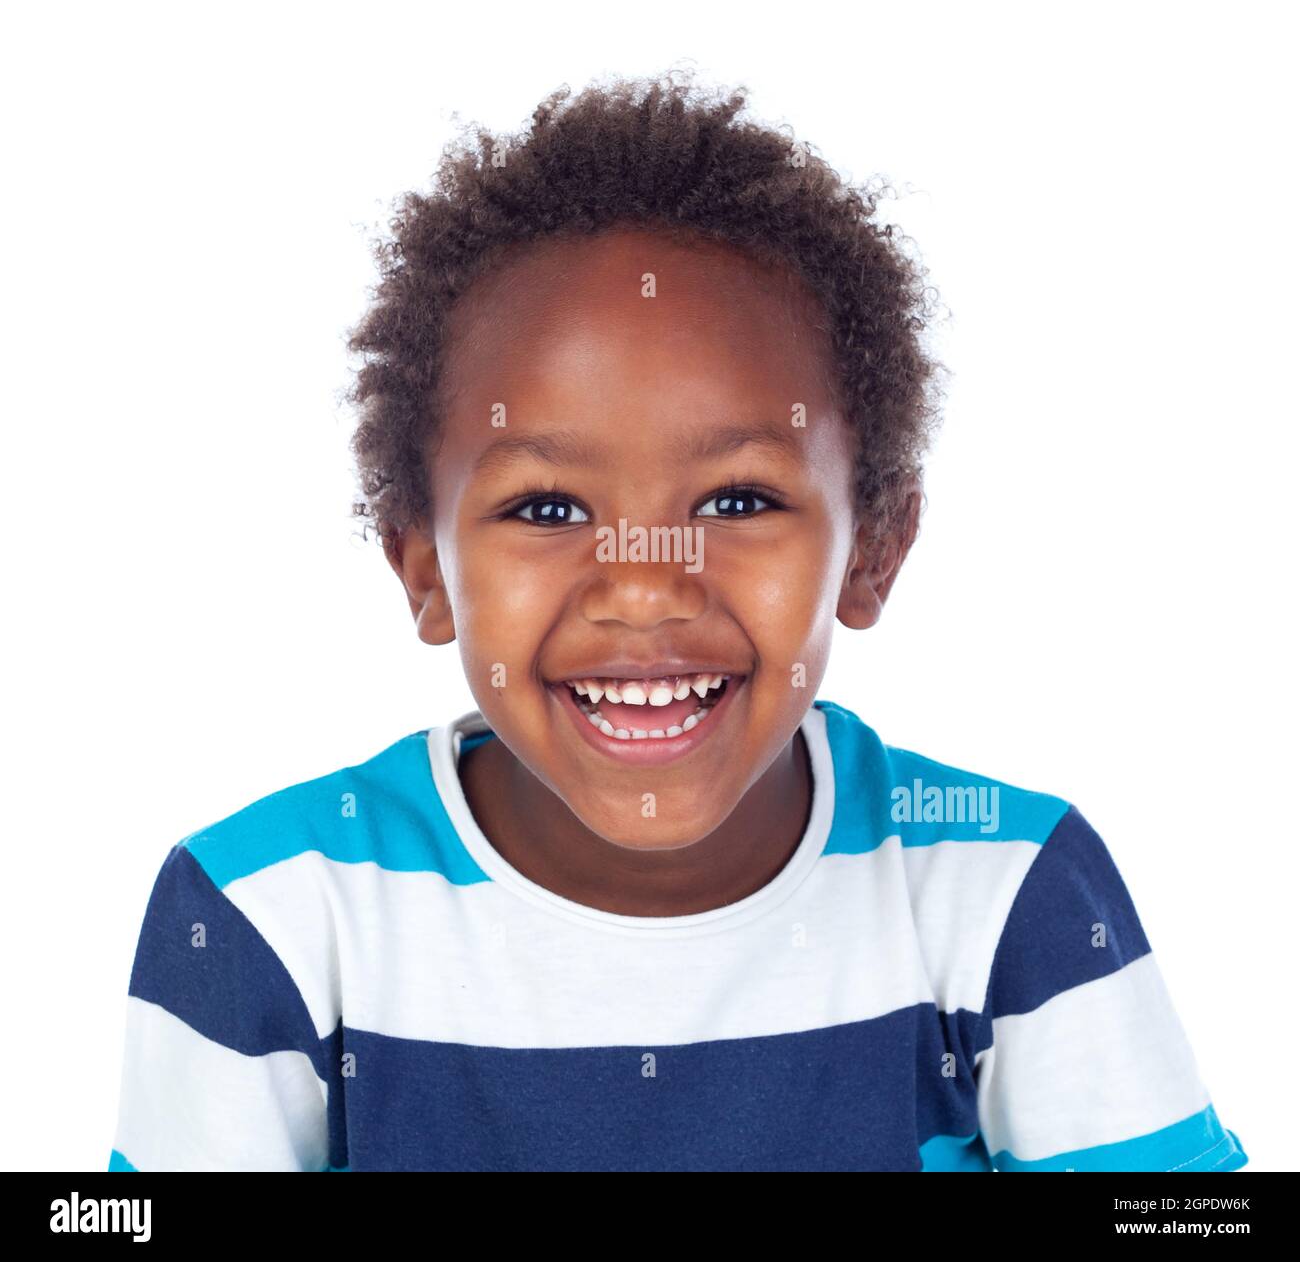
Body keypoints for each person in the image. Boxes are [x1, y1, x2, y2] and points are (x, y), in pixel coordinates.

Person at [107, 72, 1247, 1172]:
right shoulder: (269, 915)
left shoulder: (1002, 893)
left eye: (740, 501)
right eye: (546, 508)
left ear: (875, 548)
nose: (645, 587)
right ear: (425, 570)